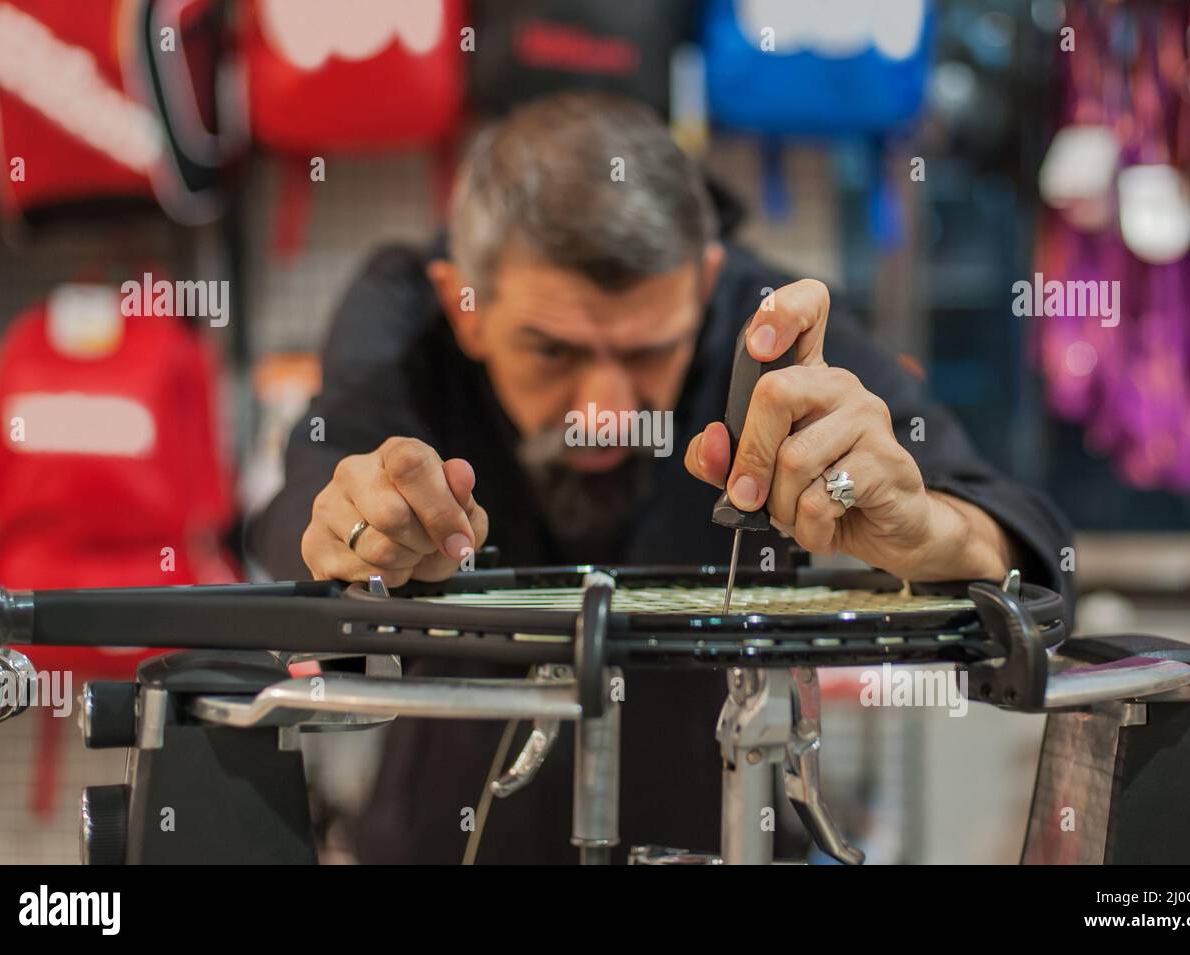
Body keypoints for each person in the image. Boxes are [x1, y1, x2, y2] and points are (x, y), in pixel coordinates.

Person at [250, 91, 1074, 863]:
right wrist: (351, 530)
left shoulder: (770, 324)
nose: (604, 412)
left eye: (648, 351)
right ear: (465, 304)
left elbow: (1026, 536)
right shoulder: (403, 317)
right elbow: (307, 499)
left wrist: (931, 531)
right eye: (552, 351)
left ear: (706, 284)